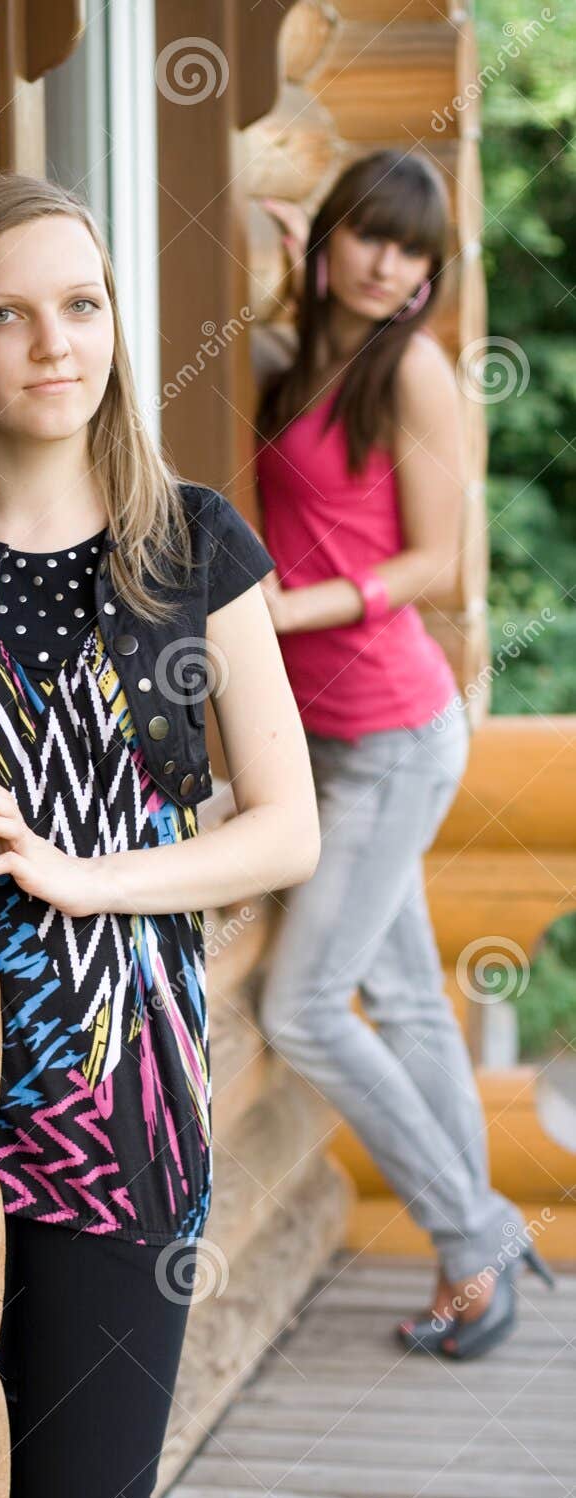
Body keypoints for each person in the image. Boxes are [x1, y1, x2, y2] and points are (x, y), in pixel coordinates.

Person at [0, 171, 319, 1498]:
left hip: (113, 1110)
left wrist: (83, 874)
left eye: (81, 304)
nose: (54, 343)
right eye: (5, 314)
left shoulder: (190, 545)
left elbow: (286, 825)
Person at [254, 149, 555, 1363]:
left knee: (301, 1006)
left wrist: (287, 611)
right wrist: (273, 274)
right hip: (325, 738)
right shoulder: (298, 361)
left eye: (411, 250)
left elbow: (435, 564)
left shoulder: (415, 374)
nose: (389, 265)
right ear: (328, 237)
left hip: (389, 734)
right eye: (369, 236)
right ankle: (470, 1259)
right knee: (411, 1010)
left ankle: (470, 1231)